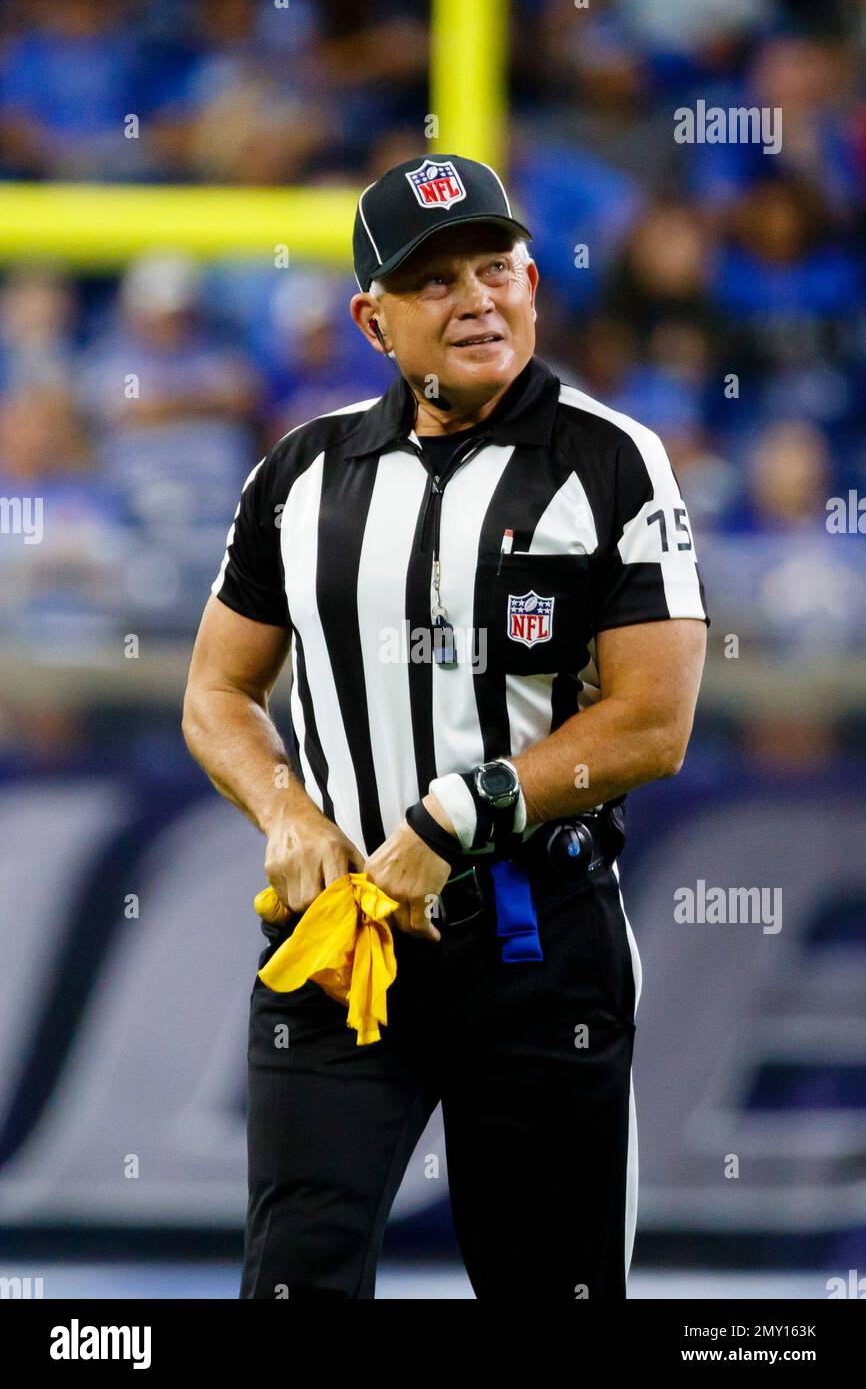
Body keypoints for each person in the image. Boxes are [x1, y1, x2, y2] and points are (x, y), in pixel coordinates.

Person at [182, 154, 709, 1300]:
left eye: (494, 266)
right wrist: (285, 812)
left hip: (534, 938)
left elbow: (655, 721)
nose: (474, 296)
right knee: (294, 1280)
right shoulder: (299, 471)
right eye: (432, 281)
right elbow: (216, 693)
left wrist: (464, 810)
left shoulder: (610, 458)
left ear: (532, 282)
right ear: (372, 320)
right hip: (346, 942)